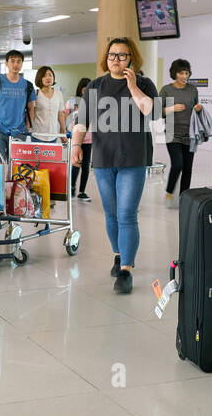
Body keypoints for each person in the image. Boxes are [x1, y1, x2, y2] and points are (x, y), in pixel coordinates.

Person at [70, 37, 157, 294]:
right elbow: (81, 121)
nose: (116, 60)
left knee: (127, 214)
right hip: (104, 158)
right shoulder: (95, 86)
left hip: (133, 158)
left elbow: (151, 111)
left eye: (122, 55)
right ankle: (118, 254)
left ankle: (126, 271)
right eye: (112, 55)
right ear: (106, 58)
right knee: (111, 214)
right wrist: (76, 145)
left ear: (132, 58)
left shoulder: (144, 83)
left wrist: (132, 86)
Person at [158, 58, 203, 207]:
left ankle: (184, 198)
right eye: (181, 73)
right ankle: (170, 192)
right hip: (172, 132)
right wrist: (172, 108)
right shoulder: (166, 89)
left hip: (190, 133)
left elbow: (197, 108)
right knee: (177, 164)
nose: (184, 76)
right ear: (174, 74)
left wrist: (199, 109)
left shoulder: (192, 89)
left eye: (186, 73)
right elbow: (156, 111)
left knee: (188, 168)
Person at [0, 50, 36, 160]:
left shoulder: (28, 86)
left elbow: (31, 109)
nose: (15, 64)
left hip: (19, 131)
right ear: (6, 63)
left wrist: (27, 127)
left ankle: (11, 178)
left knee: (17, 165)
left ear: (22, 64)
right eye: (12, 61)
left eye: (18, 61)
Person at [65, 78, 92, 200]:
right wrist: (67, 130)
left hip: (89, 139)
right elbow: (65, 116)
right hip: (76, 139)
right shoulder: (72, 102)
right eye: (84, 89)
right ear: (80, 89)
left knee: (86, 166)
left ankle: (82, 191)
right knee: (76, 164)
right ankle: (71, 187)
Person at [30, 66, 67, 138]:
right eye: (44, 76)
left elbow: (60, 113)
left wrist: (63, 130)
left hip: (53, 135)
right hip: (38, 135)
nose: (48, 78)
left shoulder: (58, 93)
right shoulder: (35, 93)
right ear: (40, 78)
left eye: (50, 75)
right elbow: (31, 113)